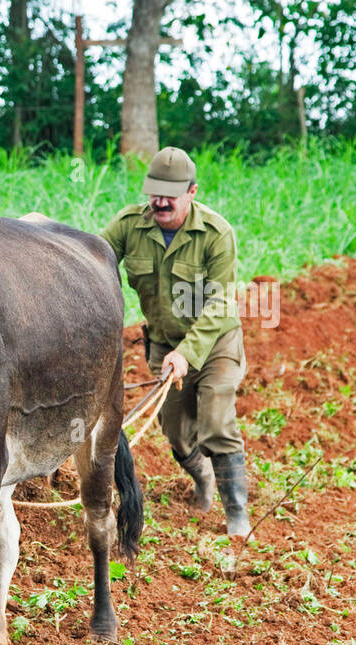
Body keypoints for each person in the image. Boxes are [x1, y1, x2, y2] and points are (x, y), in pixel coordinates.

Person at [100, 146, 250, 538]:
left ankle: (237, 515)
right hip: (164, 346)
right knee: (176, 433)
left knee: (216, 421)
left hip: (214, 345)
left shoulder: (217, 234)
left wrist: (188, 353)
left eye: (171, 193)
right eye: (155, 192)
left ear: (192, 192)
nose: (161, 201)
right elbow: (93, 262)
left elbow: (220, 302)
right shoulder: (130, 225)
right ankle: (203, 477)